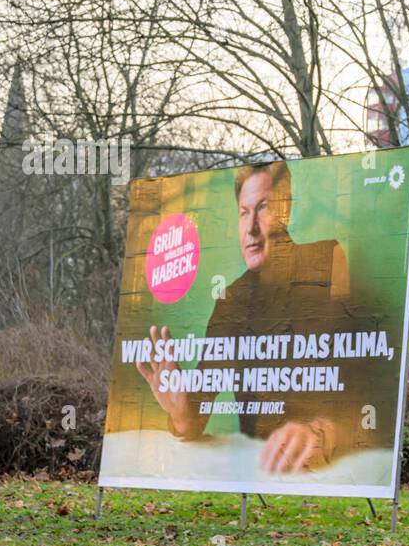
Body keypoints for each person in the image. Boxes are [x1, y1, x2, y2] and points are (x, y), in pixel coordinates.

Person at [133, 161, 389, 474]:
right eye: (244, 212)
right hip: (260, 473)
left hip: (328, 472)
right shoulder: (232, 299)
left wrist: (321, 432)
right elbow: (195, 416)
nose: (251, 227)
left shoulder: (326, 259)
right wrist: (181, 411)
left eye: (263, 208)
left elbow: (361, 382)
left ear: (286, 210)